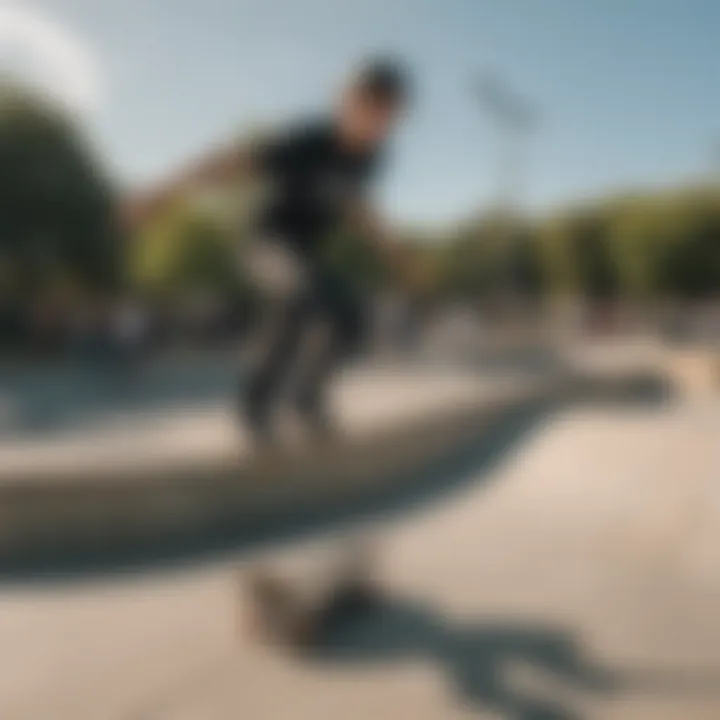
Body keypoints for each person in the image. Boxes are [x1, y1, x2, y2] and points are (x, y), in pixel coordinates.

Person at [125, 57, 412, 446]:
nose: (375, 124)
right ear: (345, 103)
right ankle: (255, 408)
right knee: (300, 294)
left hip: (303, 253)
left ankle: (306, 401)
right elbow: (229, 162)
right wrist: (160, 193)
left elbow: (356, 207)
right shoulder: (307, 141)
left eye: (385, 116)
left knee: (351, 315)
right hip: (262, 242)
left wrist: (392, 250)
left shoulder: (371, 159)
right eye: (369, 109)